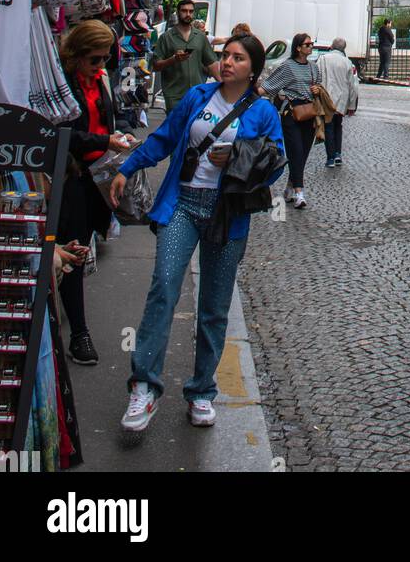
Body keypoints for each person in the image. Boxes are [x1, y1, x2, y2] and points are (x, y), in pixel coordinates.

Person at [113, 34, 283, 431]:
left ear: (252, 69)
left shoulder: (262, 111)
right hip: (183, 204)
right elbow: (164, 138)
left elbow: (276, 162)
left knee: (213, 308)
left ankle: (203, 391)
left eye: (237, 59)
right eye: (225, 56)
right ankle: (144, 386)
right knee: (164, 288)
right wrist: (127, 167)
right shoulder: (197, 97)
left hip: (228, 216)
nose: (227, 63)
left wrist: (236, 157)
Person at [57, 21, 138, 366]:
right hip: (71, 177)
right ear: (76, 55)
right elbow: (64, 134)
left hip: (98, 177)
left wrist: (121, 136)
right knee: (72, 251)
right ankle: (79, 333)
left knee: (82, 248)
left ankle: (69, 323)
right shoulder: (61, 82)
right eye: (94, 59)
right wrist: (105, 140)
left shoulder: (101, 79)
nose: (101, 66)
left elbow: (110, 118)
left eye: (105, 59)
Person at [262, 33, 321, 208]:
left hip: (309, 113)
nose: (310, 47)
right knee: (295, 150)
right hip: (291, 114)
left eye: (311, 44)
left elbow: (319, 85)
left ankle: (289, 186)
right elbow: (269, 85)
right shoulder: (287, 67)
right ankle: (299, 192)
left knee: (302, 153)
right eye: (307, 44)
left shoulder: (313, 67)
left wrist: (317, 89)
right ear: (298, 48)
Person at [151, 0, 220, 113]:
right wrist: (173, 59)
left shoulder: (200, 37)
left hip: (197, 93)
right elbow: (156, 66)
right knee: (176, 129)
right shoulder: (166, 37)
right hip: (174, 95)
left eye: (191, 11)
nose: (188, 14)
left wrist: (223, 83)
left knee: (194, 129)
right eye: (184, 11)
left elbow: (211, 63)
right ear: (178, 12)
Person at [317, 38, 359, 167]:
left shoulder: (323, 59)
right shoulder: (347, 62)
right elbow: (352, 86)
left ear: (331, 46)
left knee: (328, 126)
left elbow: (317, 77)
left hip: (327, 97)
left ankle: (330, 158)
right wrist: (352, 105)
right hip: (342, 99)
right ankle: (337, 154)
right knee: (338, 125)